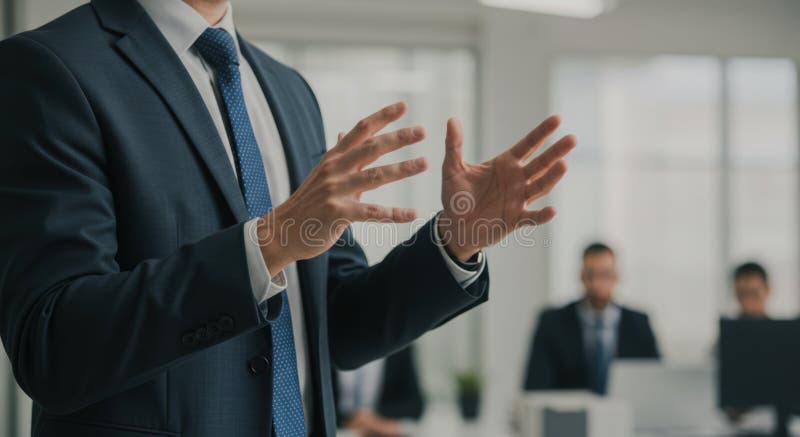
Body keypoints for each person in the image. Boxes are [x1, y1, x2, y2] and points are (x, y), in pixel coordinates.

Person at [0, 0, 576, 435]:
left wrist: (454, 242)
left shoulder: (288, 90)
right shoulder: (52, 67)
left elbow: (342, 326)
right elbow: (52, 344)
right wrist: (271, 242)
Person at [523, 243, 659, 395]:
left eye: (605, 274)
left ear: (616, 277)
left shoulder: (639, 324)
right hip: (571, 409)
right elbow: (535, 387)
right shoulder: (552, 323)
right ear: (582, 277)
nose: (597, 283)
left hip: (626, 407)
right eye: (591, 275)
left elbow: (656, 382)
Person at [333, 347, 424, 437]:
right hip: (339, 427)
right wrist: (351, 420)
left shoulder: (399, 347)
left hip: (376, 425)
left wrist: (371, 421)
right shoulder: (329, 346)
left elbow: (414, 405)